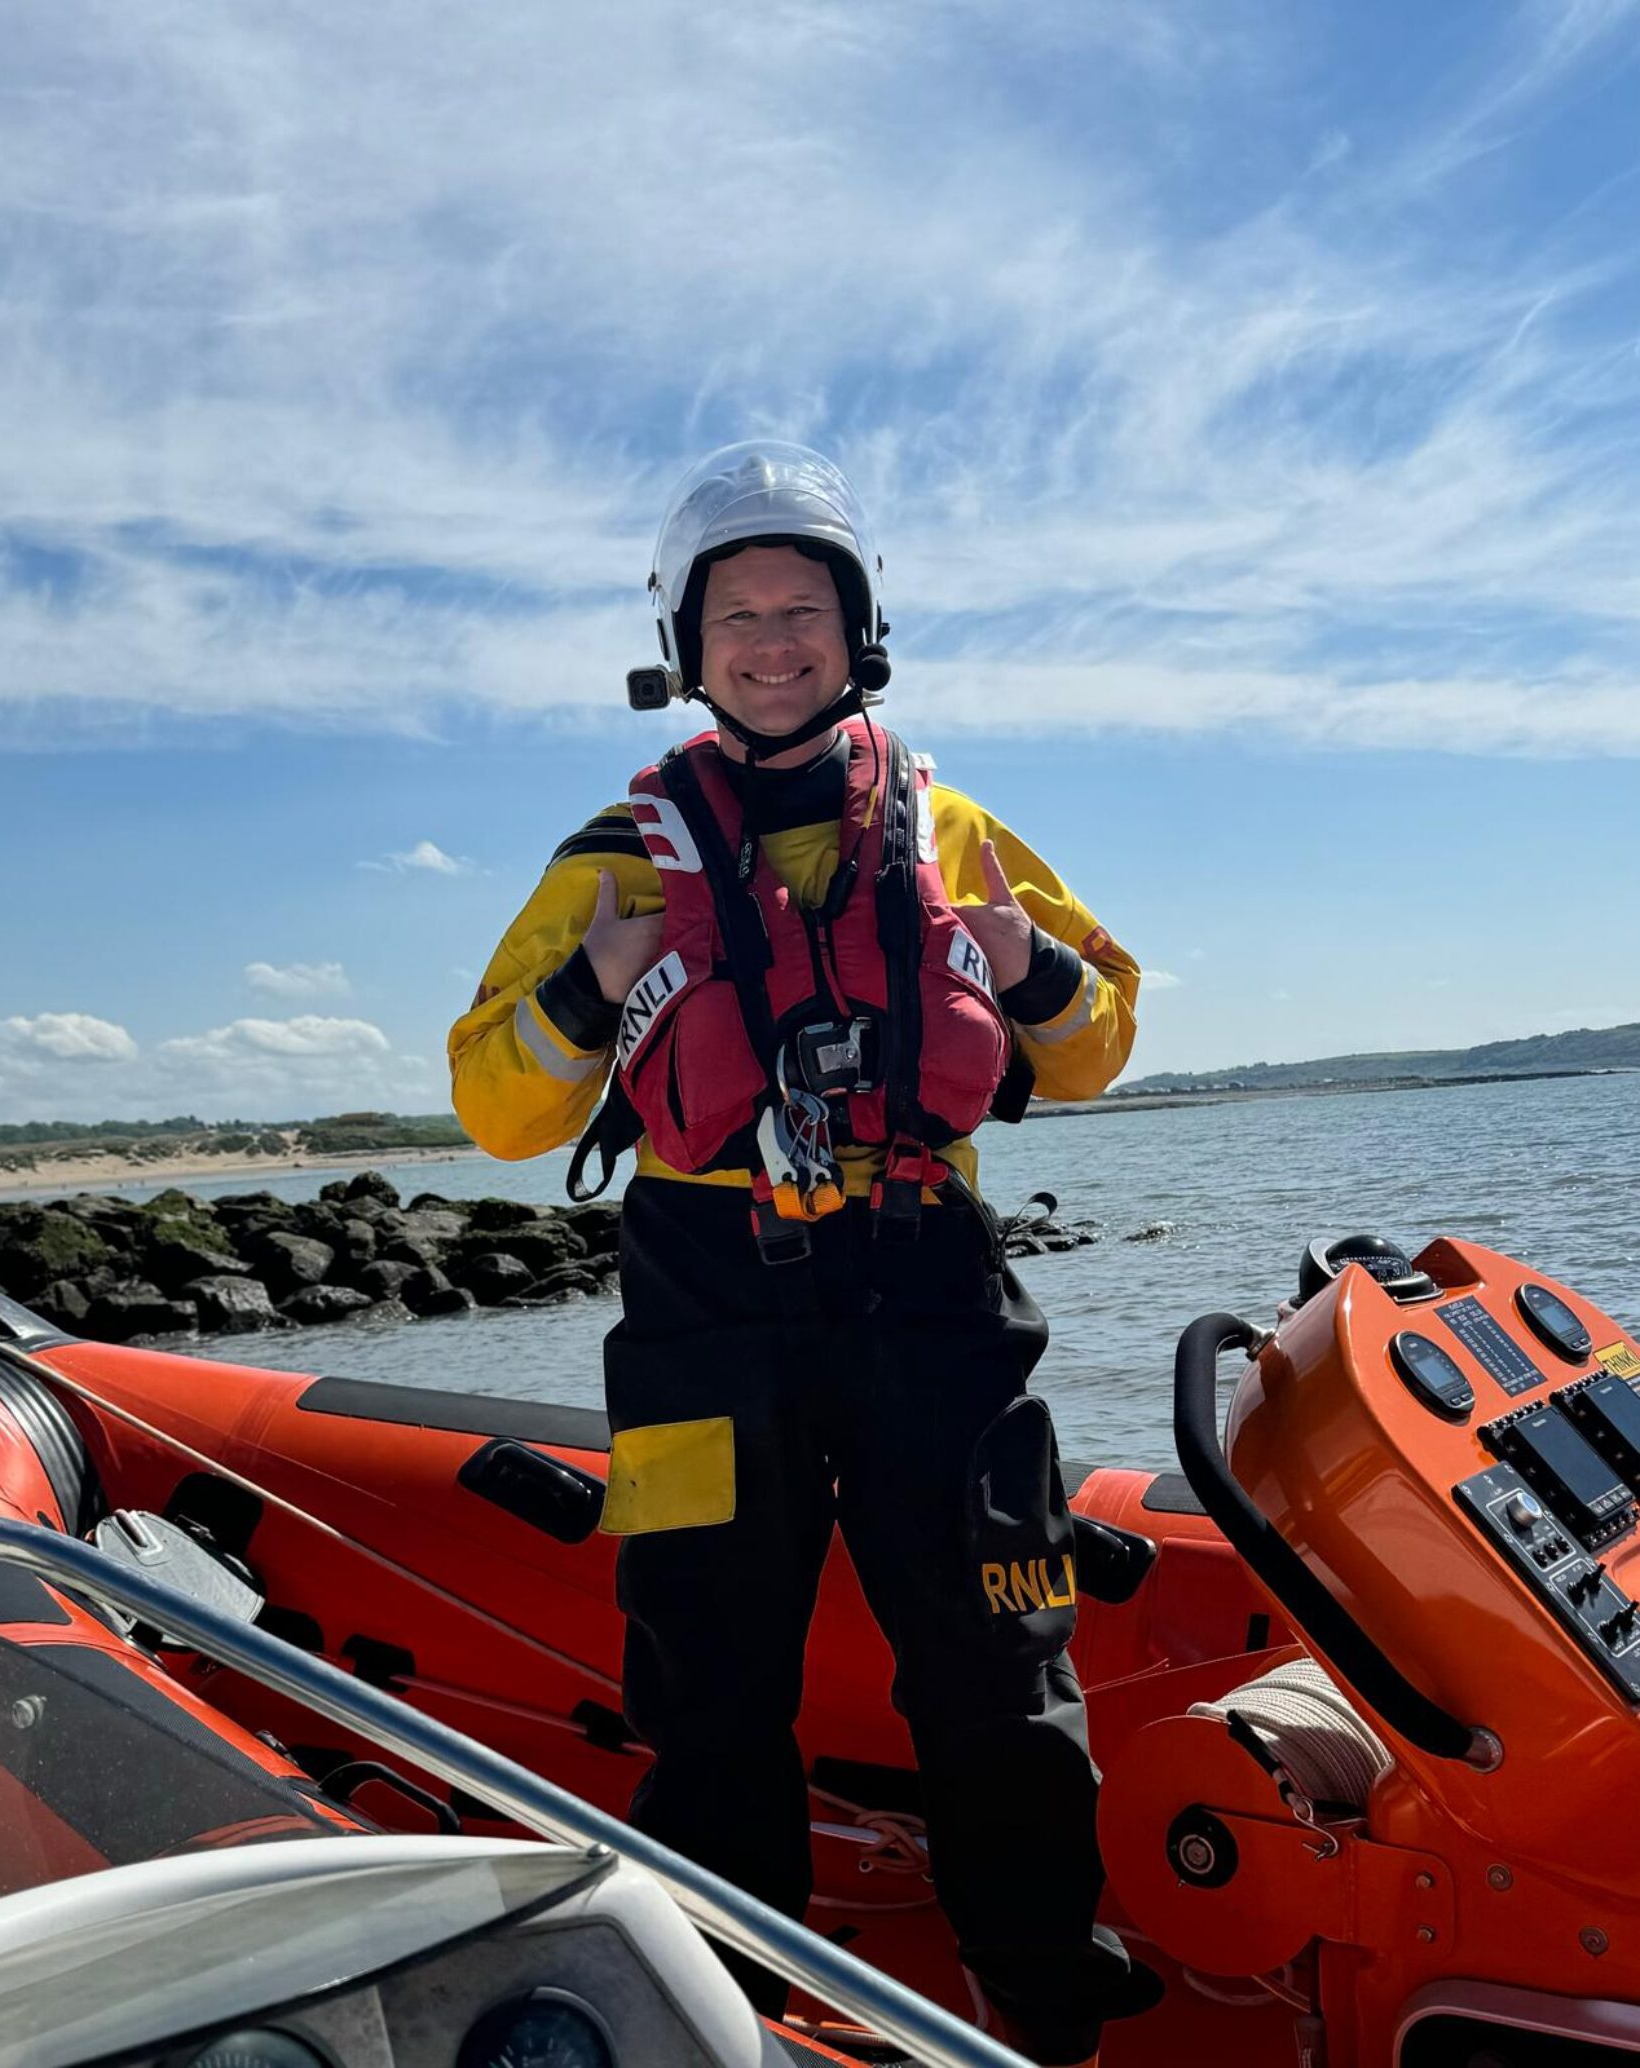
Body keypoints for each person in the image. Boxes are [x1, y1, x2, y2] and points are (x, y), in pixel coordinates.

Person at [449, 442, 1155, 2064]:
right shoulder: (612, 856)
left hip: (933, 1295)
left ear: (861, 631)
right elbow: (491, 1102)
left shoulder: (957, 830)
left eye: (805, 612)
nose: (775, 643)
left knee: (1001, 1664)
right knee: (707, 1694)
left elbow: (1101, 1043)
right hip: (708, 1305)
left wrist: (1032, 964)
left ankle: (1035, 2006)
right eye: (741, 616)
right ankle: (729, 2018)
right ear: (685, 648)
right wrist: (587, 987)